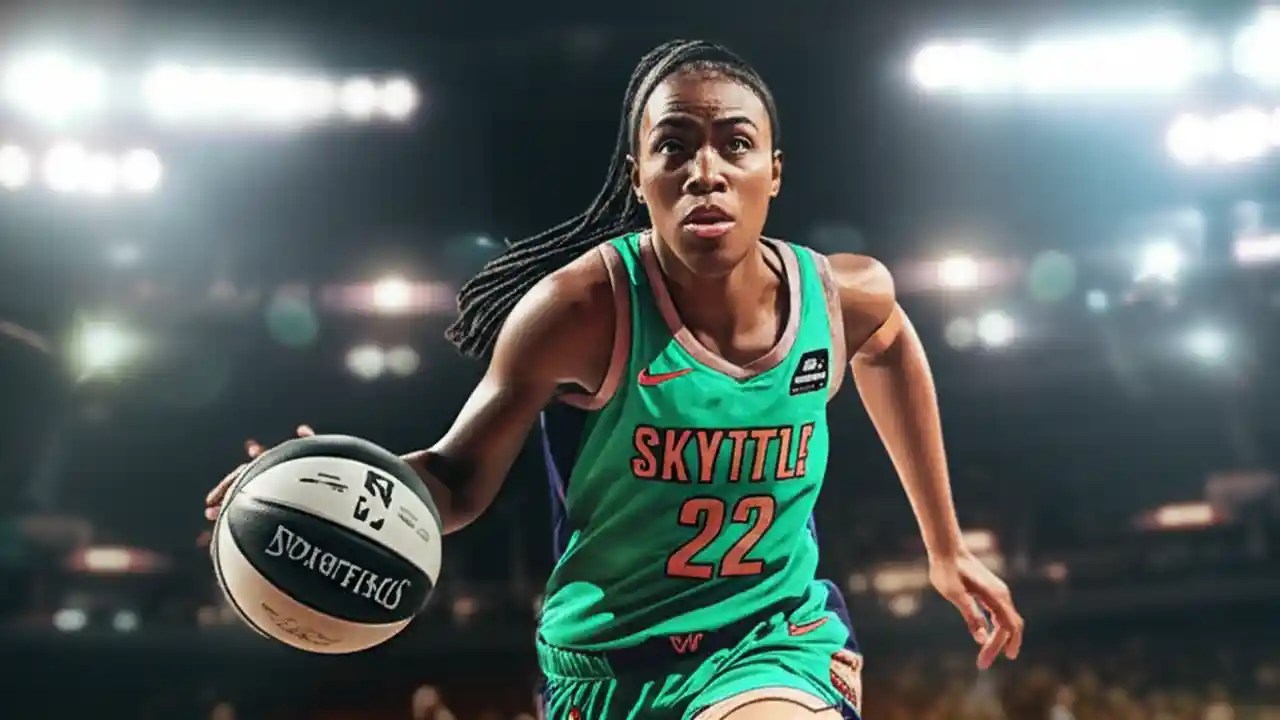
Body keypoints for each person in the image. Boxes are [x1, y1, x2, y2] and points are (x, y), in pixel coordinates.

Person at [205, 39, 1024, 720]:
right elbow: (454, 480)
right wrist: (338, 484)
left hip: (770, 640)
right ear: (639, 176)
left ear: (773, 171)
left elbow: (890, 340)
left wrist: (944, 546)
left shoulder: (841, 297)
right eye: (674, 145)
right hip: (603, 669)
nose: (706, 169)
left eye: (734, 144)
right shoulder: (579, 309)